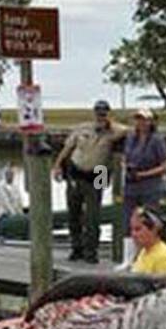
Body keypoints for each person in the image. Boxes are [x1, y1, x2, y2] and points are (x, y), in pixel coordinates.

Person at [53, 100, 127, 263]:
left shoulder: (114, 131)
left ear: (109, 114)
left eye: (104, 113)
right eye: (99, 112)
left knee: (93, 216)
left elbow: (126, 130)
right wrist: (57, 166)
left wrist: (109, 126)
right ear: (94, 113)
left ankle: (91, 251)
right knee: (74, 213)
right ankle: (76, 248)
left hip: (99, 174)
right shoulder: (82, 128)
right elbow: (67, 148)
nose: (101, 116)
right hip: (76, 171)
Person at [121, 108, 166, 241]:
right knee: (128, 219)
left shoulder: (157, 140)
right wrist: (126, 166)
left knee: (149, 219)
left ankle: (150, 250)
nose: (141, 123)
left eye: (145, 119)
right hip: (131, 185)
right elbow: (125, 156)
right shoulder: (131, 137)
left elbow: (165, 165)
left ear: (151, 122)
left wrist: (143, 174)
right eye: (138, 119)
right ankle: (129, 256)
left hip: (149, 186)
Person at [128, 207, 166, 276]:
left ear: (154, 230)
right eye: (131, 229)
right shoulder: (143, 252)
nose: (133, 234)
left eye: (138, 229)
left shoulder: (165, 258)